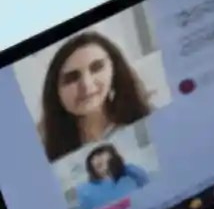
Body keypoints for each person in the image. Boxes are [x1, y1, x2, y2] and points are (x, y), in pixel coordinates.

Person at [39, 31, 151, 162]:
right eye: (72, 78)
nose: (86, 85)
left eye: (97, 68)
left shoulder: (149, 118)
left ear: (114, 69)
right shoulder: (43, 150)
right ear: (54, 91)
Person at [76, 143, 150, 209]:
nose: (95, 160)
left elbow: (148, 186)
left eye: (99, 154)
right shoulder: (85, 190)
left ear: (113, 156)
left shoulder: (130, 173)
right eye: (92, 159)